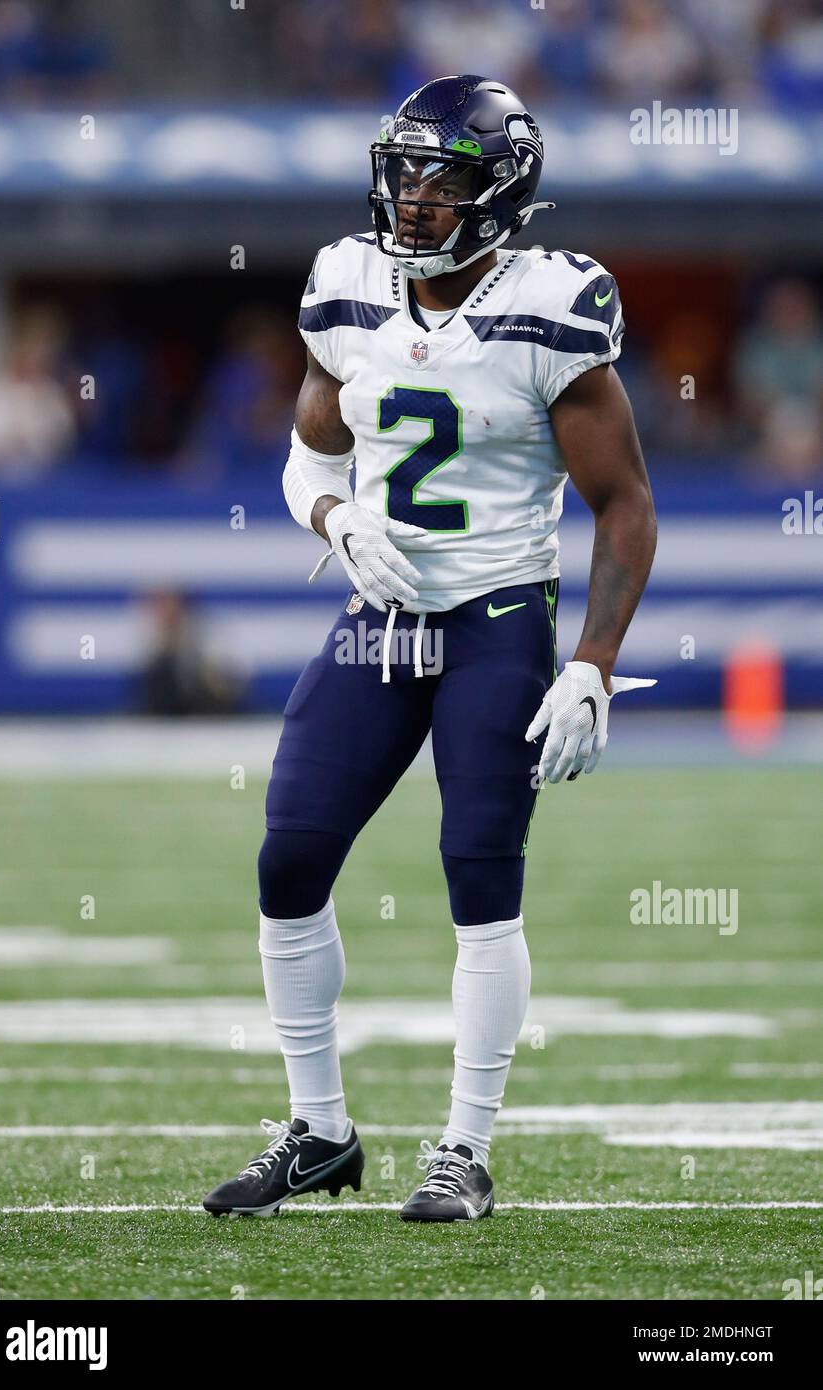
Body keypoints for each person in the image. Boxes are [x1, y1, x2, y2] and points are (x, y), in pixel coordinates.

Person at [203, 74, 657, 1222]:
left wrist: (594, 663)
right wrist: (335, 517)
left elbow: (626, 504)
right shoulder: (346, 286)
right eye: (405, 173)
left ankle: (464, 1146)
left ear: (501, 193)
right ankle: (319, 1131)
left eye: (444, 178)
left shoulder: (553, 305)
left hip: (497, 618)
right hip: (379, 619)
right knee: (289, 854)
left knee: (478, 878)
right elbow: (311, 452)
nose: (414, 199)